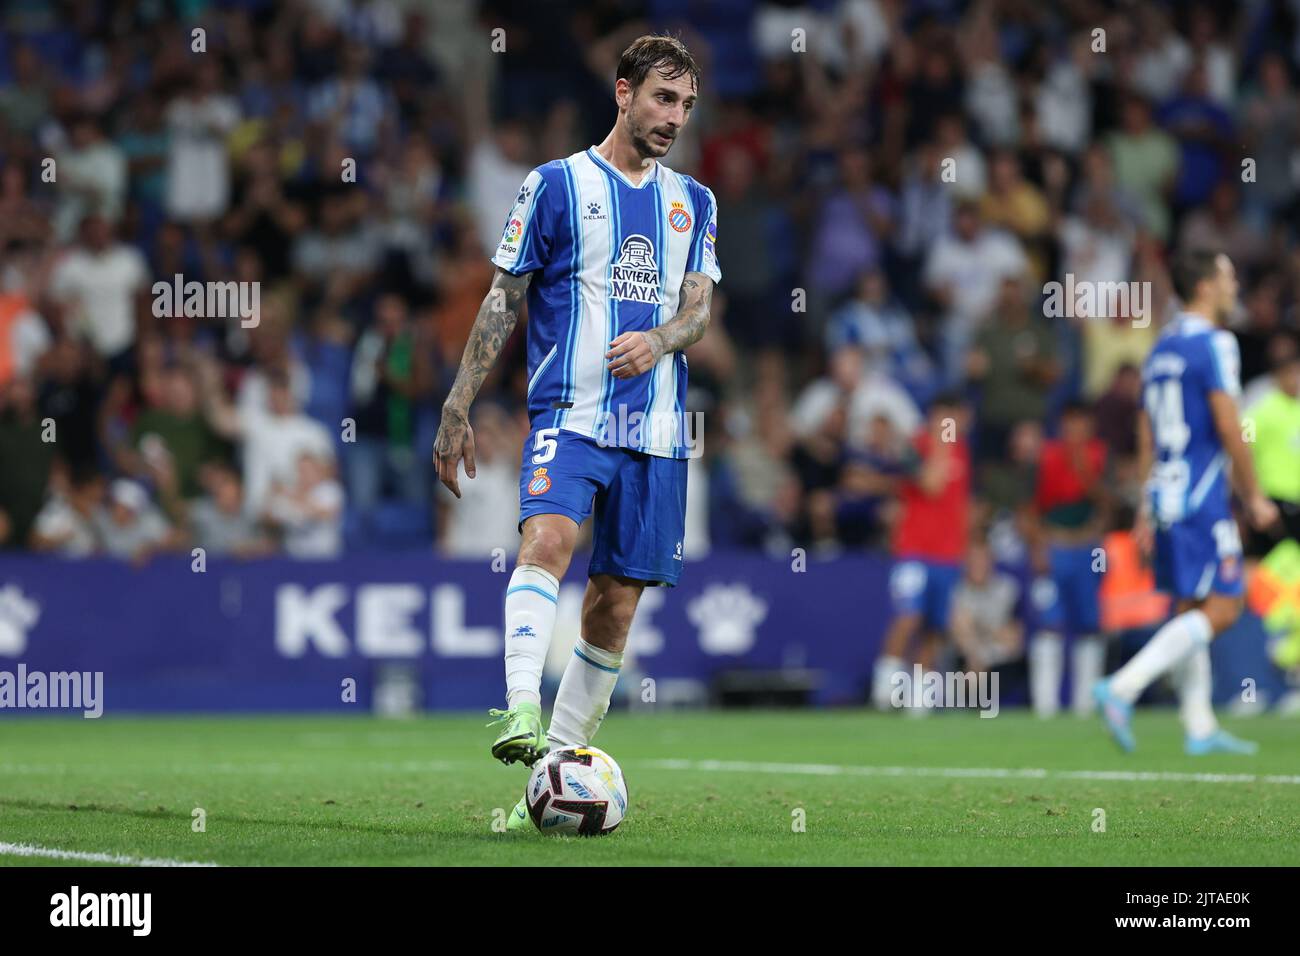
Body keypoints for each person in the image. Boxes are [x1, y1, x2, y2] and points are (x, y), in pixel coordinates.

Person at [431, 36, 720, 830]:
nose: (675, 118)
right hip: (573, 413)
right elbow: (503, 296)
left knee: (616, 604)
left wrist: (660, 340)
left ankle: (552, 773)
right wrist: (459, 404)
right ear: (622, 92)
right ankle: (520, 710)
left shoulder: (694, 201)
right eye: (664, 98)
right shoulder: (555, 185)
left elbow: (698, 311)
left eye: (686, 105)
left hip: (657, 429)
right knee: (547, 541)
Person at [1094, 250, 1279, 755]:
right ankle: (1123, 686)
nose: (1235, 283)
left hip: (1167, 492)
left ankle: (1199, 726)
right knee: (1225, 606)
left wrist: (1145, 501)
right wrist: (1254, 495)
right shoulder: (1216, 343)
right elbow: (1227, 424)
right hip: (1200, 495)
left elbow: (1146, 427)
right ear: (1204, 286)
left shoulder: (1163, 346)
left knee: (1191, 604)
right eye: (1227, 275)